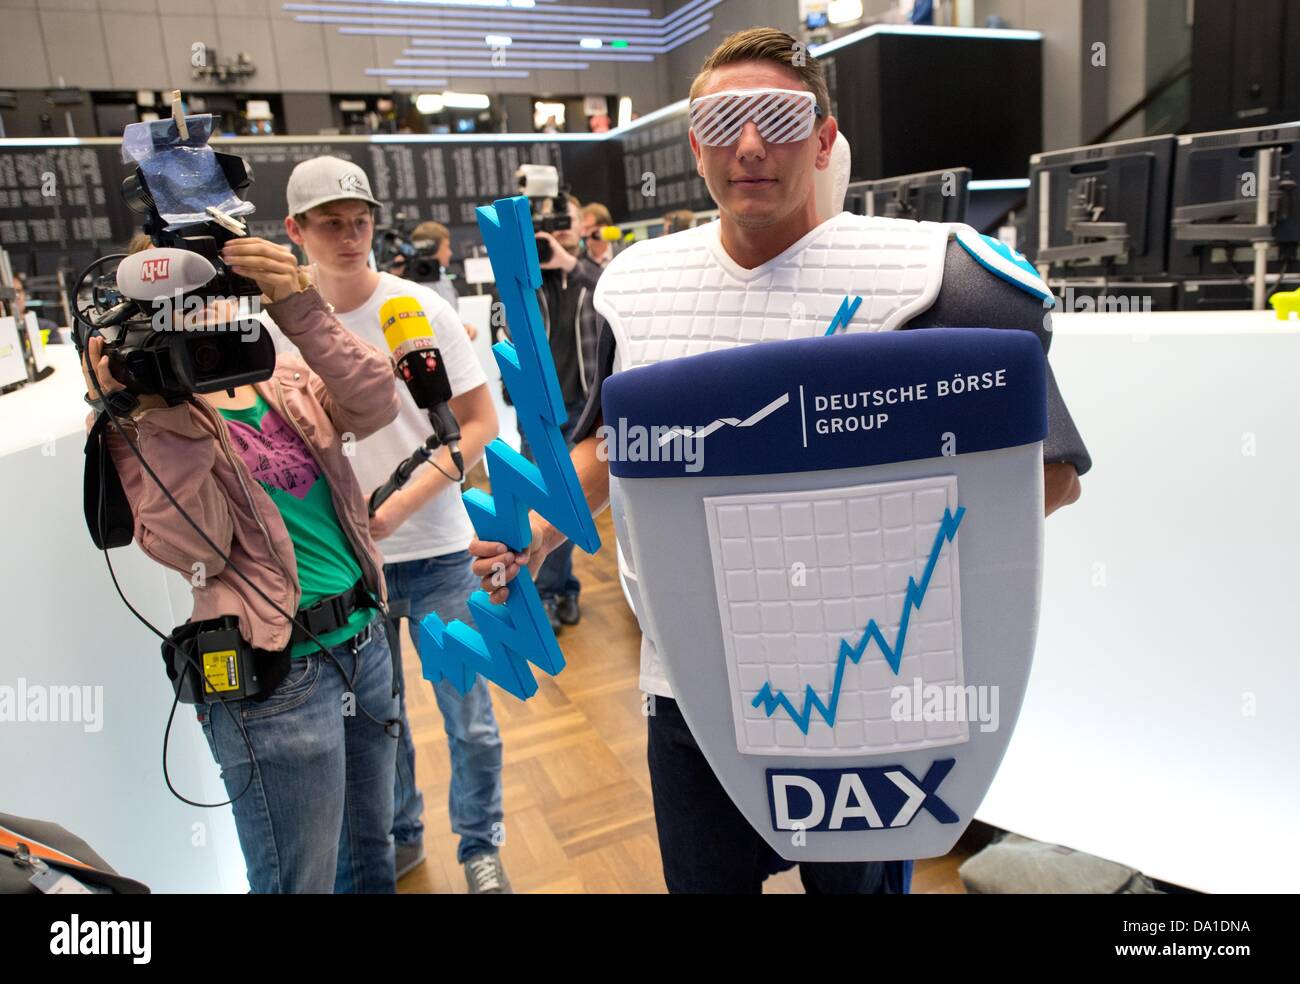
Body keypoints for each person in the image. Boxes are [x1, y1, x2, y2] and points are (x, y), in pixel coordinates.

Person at [469, 26, 1090, 894]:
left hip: (866, 683)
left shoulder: (936, 277)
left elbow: (1048, 475)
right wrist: (536, 529)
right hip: (690, 678)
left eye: (777, 117)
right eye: (724, 121)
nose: (749, 144)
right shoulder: (639, 290)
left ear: (825, 138)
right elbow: (613, 445)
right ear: (695, 144)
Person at [82, 237, 403, 893]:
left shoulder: (280, 376)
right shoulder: (144, 421)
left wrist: (301, 308)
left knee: (373, 851)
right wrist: (155, 410)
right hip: (278, 679)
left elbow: (375, 402)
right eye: (177, 306)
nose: (202, 316)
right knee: (299, 879)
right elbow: (195, 547)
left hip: (364, 645)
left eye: (213, 295)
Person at [264, 157, 511, 894]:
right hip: (344, 571)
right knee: (378, 724)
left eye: (360, 221)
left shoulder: (421, 309)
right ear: (295, 231)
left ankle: (480, 846)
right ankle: (402, 836)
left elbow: (478, 424)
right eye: (331, 224)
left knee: (468, 717)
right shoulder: (277, 333)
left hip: (436, 550)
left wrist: (403, 506)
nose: (350, 237)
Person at [519, 194, 605, 631]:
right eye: (549, 221)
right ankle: (558, 588)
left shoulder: (594, 272)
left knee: (570, 501)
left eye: (565, 219)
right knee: (542, 501)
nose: (559, 227)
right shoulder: (527, 275)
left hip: (586, 405)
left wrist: (569, 263)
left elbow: (612, 294)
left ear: (581, 223)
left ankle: (553, 592)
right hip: (540, 408)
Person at [411, 220, 477, 340]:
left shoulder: (443, 278)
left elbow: (446, 318)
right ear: (432, 248)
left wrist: (463, 327)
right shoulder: (410, 283)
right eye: (446, 247)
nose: (450, 253)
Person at [578, 203, 616, 268]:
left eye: (587, 228)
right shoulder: (578, 261)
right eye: (582, 229)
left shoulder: (625, 256)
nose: (583, 234)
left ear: (603, 227)